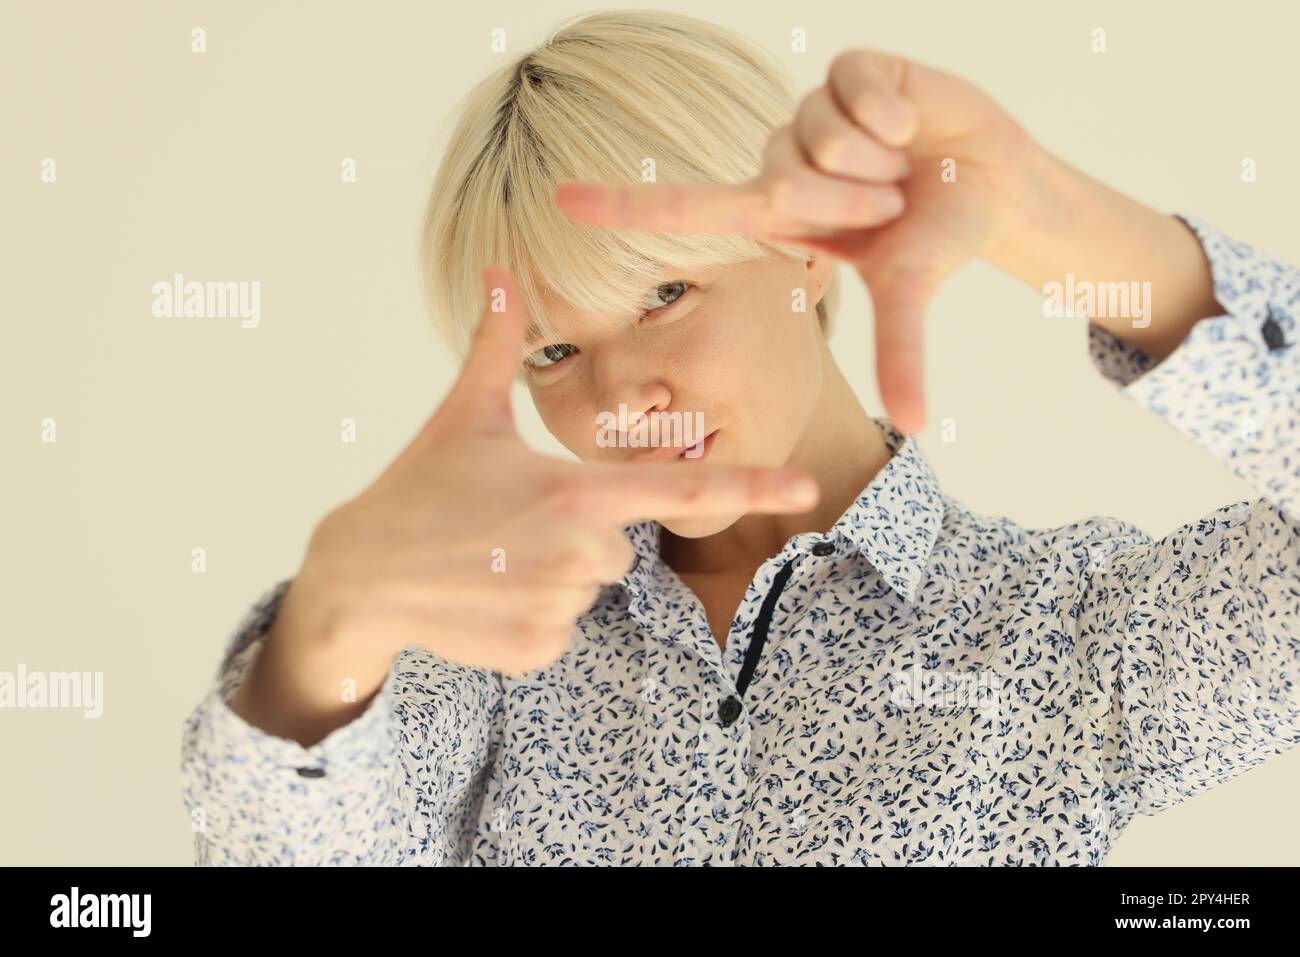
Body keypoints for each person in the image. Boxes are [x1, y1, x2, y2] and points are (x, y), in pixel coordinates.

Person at [181, 10, 1299, 865]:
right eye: (552, 354)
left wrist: (1057, 219)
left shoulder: (1059, 632)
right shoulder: (487, 648)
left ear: (809, 248)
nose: (621, 393)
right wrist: (329, 622)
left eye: (664, 292)